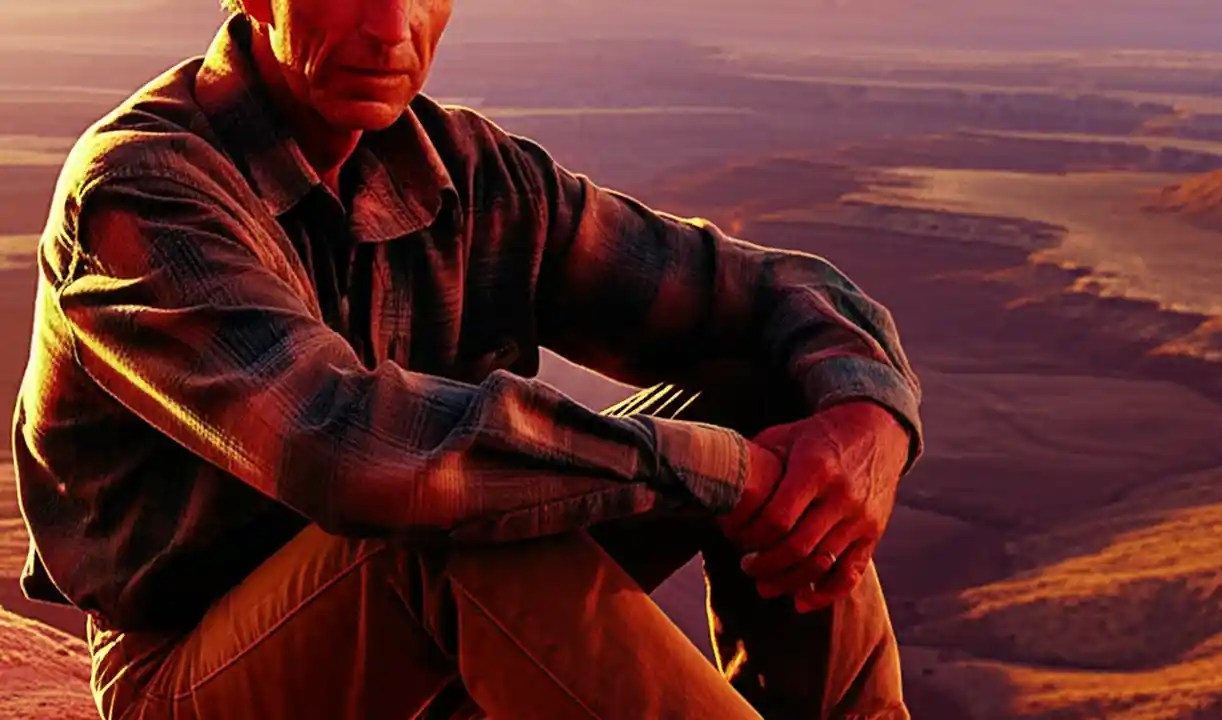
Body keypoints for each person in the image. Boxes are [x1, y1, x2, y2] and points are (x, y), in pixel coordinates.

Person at [11, 0, 924, 717]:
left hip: (419, 637)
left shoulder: (466, 172)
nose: (389, 27)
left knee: (769, 390)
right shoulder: (142, 189)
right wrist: (720, 471)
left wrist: (867, 415)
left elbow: (758, 296)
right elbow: (355, 455)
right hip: (194, 672)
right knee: (440, 525)